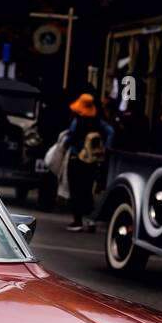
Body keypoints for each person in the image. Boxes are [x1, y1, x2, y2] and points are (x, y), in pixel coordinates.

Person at [62, 93, 114, 232]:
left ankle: (77, 221)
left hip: (77, 159)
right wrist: (104, 147)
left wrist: (66, 144)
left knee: (76, 190)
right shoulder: (99, 122)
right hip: (92, 162)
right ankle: (91, 220)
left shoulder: (77, 121)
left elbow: (70, 138)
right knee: (87, 190)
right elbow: (111, 132)